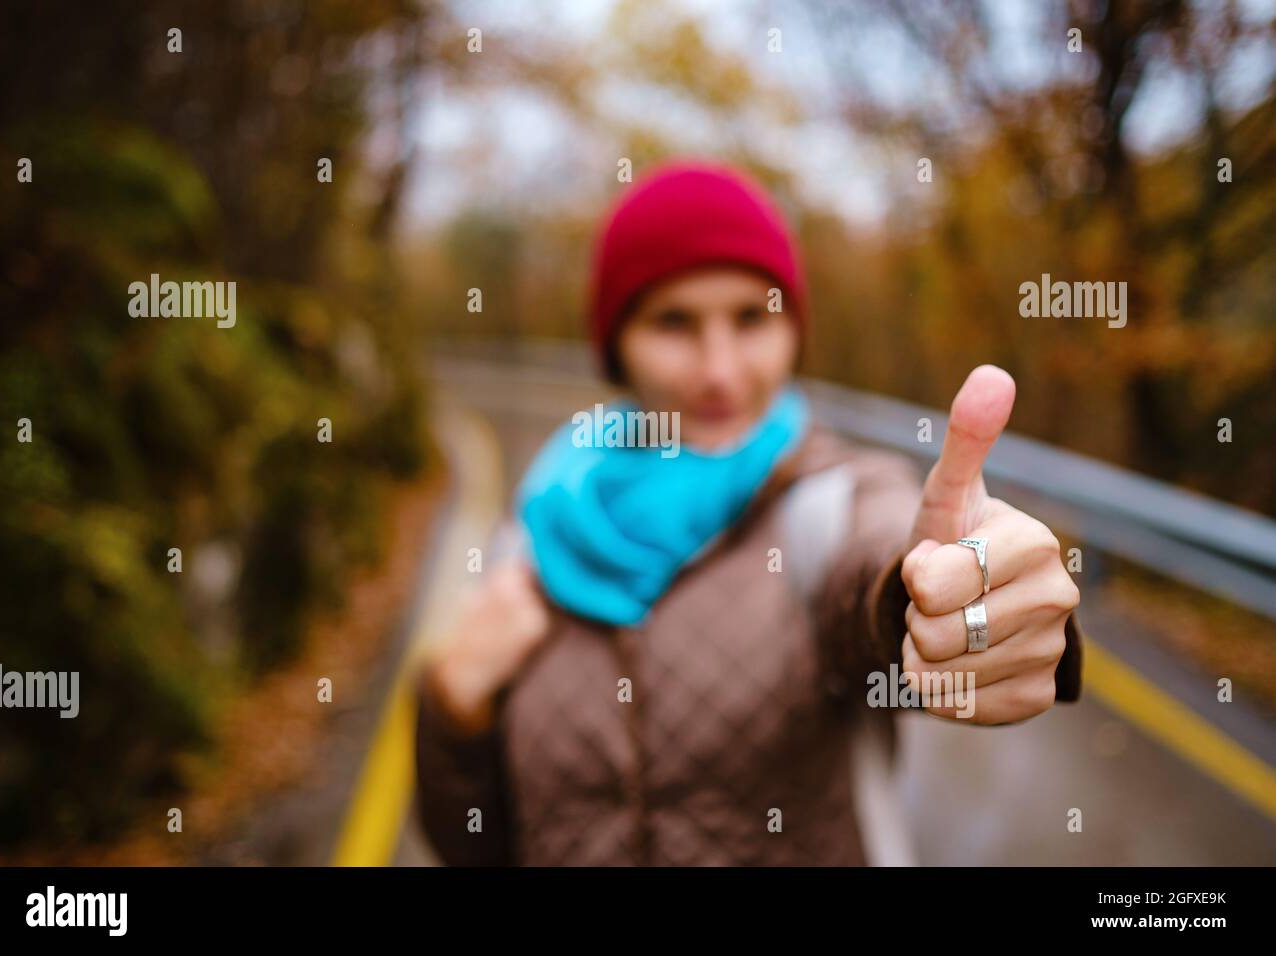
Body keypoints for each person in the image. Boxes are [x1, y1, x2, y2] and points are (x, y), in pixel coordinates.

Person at [411, 160, 1084, 866]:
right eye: (674, 322)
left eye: (752, 317)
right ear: (617, 344)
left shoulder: (829, 505)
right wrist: (453, 710)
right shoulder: (534, 533)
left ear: (793, 330)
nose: (721, 371)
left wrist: (944, 599)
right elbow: (470, 847)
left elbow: (878, 566)